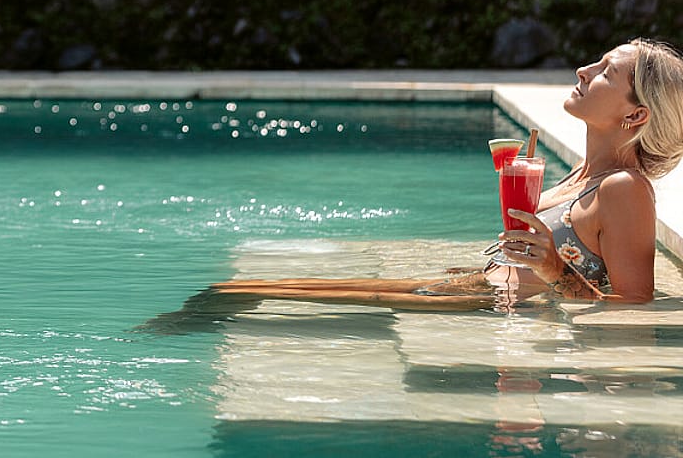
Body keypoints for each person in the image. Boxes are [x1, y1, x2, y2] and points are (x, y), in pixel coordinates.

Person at [153, 38, 683, 321]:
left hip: (483, 305)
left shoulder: (624, 190)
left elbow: (636, 310)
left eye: (607, 72)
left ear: (635, 116)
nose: (584, 70)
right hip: (475, 289)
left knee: (249, 291)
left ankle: (154, 341)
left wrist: (550, 267)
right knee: (243, 290)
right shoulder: (581, 175)